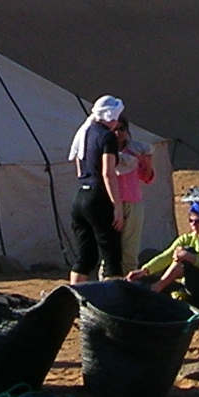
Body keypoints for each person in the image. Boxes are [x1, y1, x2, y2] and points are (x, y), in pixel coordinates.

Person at [66, 94, 128, 282]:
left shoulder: (85, 132)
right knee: (111, 256)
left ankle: (75, 299)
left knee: (86, 256)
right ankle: (112, 303)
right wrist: (117, 206)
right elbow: (108, 173)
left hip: (80, 196)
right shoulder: (107, 137)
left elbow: (78, 166)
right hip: (98, 197)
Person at [134, 199, 199, 308]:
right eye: (191, 221)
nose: (193, 224)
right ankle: (153, 289)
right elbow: (166, 256)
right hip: (188, 285)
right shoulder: (187, 238)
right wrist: (145, 270)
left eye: (198, 221)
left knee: (186, 255)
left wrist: (190, 257)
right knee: (148, 259)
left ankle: (156, 288)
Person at [111, 111, 157, 268]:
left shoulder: (135, 151)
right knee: (110, 246)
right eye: (115, 129)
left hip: (133, 201)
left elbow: (147, 178)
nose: (118, 133)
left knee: (131, 246)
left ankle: (129, 282)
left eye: (122, 129)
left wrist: (147, 162)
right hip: (112, 201)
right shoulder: (105, 152)